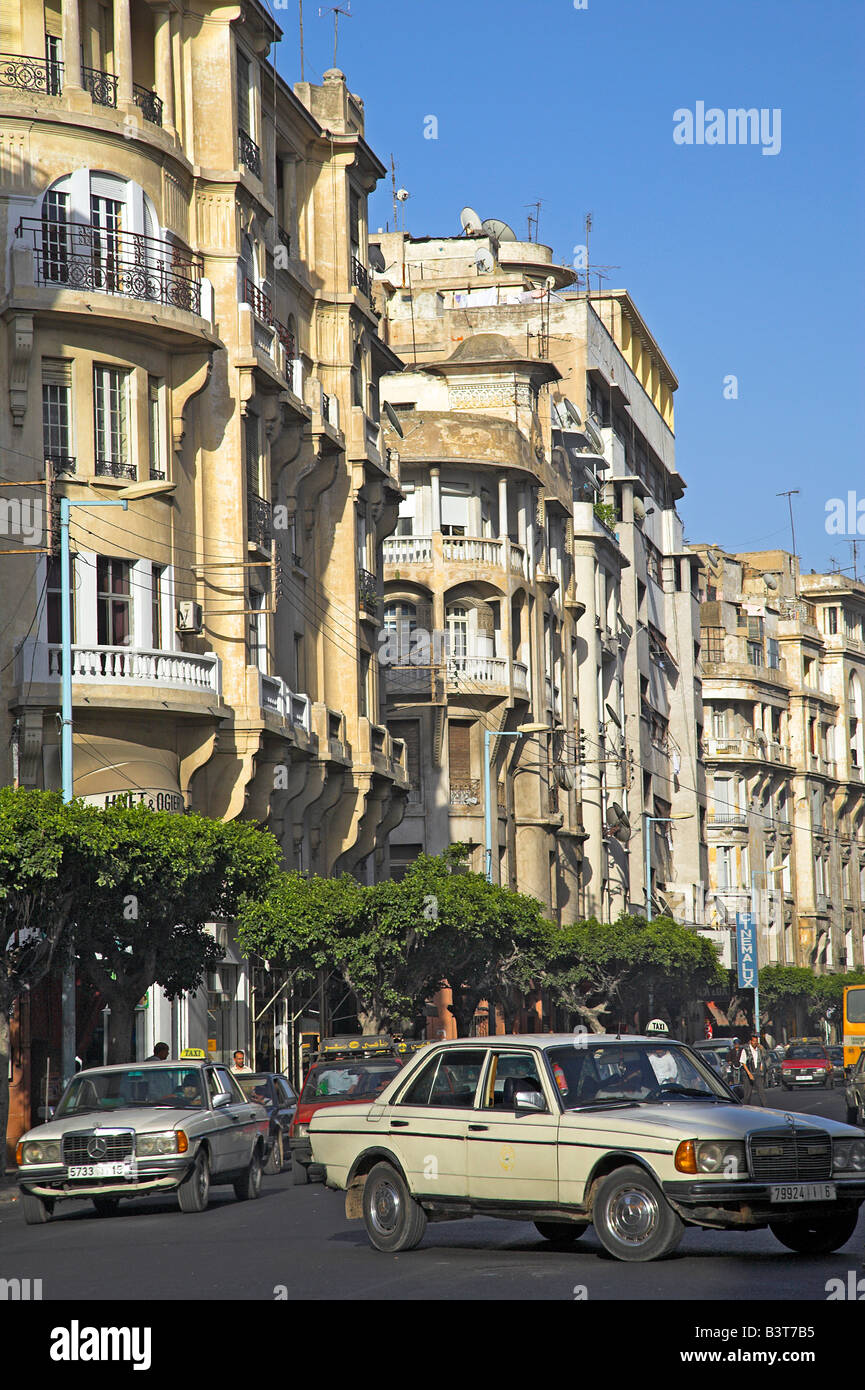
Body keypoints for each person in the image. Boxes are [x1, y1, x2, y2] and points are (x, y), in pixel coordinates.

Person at [739, 1032, 766, 1105]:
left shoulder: (759, 1050)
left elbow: (761, 1059)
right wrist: (749, 1074)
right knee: (747, 1094)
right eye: (754, 1041)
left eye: (756, 1041)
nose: (755, 1043)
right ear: (751, 1042)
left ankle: (765, 1107)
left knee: (761, 1092)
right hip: (748, 1073)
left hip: (757, 1072)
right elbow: (743, 1062)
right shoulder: (745, 1050)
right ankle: (746, 1108)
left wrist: (760, 1068)